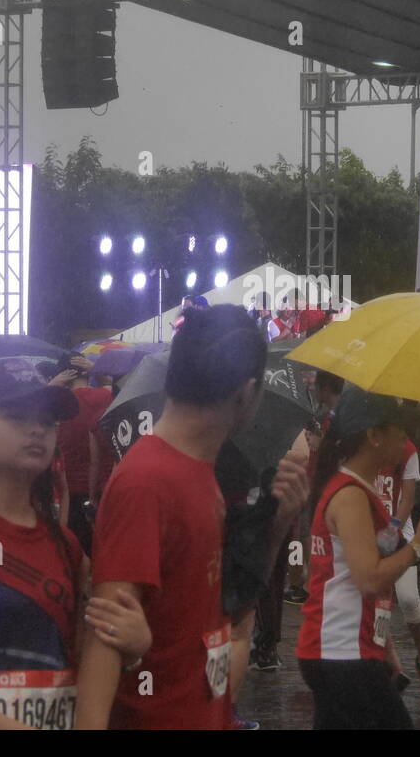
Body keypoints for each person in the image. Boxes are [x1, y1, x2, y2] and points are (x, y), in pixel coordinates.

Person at [76, 305, 307, 729]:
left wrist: (274, 529)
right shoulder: (148, 481)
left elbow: (225, 615)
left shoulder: (199, 472)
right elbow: (104, 638)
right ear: (247, 391)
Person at [0, 357, 148, 729]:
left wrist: (131, 649)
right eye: (16, 415)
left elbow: (79, 655)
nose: (37, 429)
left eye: (47, 420)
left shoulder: (66, 547)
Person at [297, 386, 420, 728]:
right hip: (341, 652)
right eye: (400, 433)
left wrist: (385, 645)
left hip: (348, 650)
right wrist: (419, 545)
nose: (405, 444)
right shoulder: (350, 495)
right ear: (374, 436)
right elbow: (369, 578)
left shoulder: (359, 489)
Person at [374, 436, 420, 676]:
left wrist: (393, 530)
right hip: (369, 528)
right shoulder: (363, 443)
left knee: (407, 598)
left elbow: (408, 499)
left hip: (398, 529)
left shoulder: (408, 450)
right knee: (379, 602)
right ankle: (381, 659)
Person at [50, 354, 113, 556]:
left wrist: (51, 385)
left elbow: (30, 410)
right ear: (87, 372)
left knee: (71, 552)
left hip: (66, 489)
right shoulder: (106, 396)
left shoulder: (55, 405)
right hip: (103, 487)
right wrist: (98, 369)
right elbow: (122, 387)